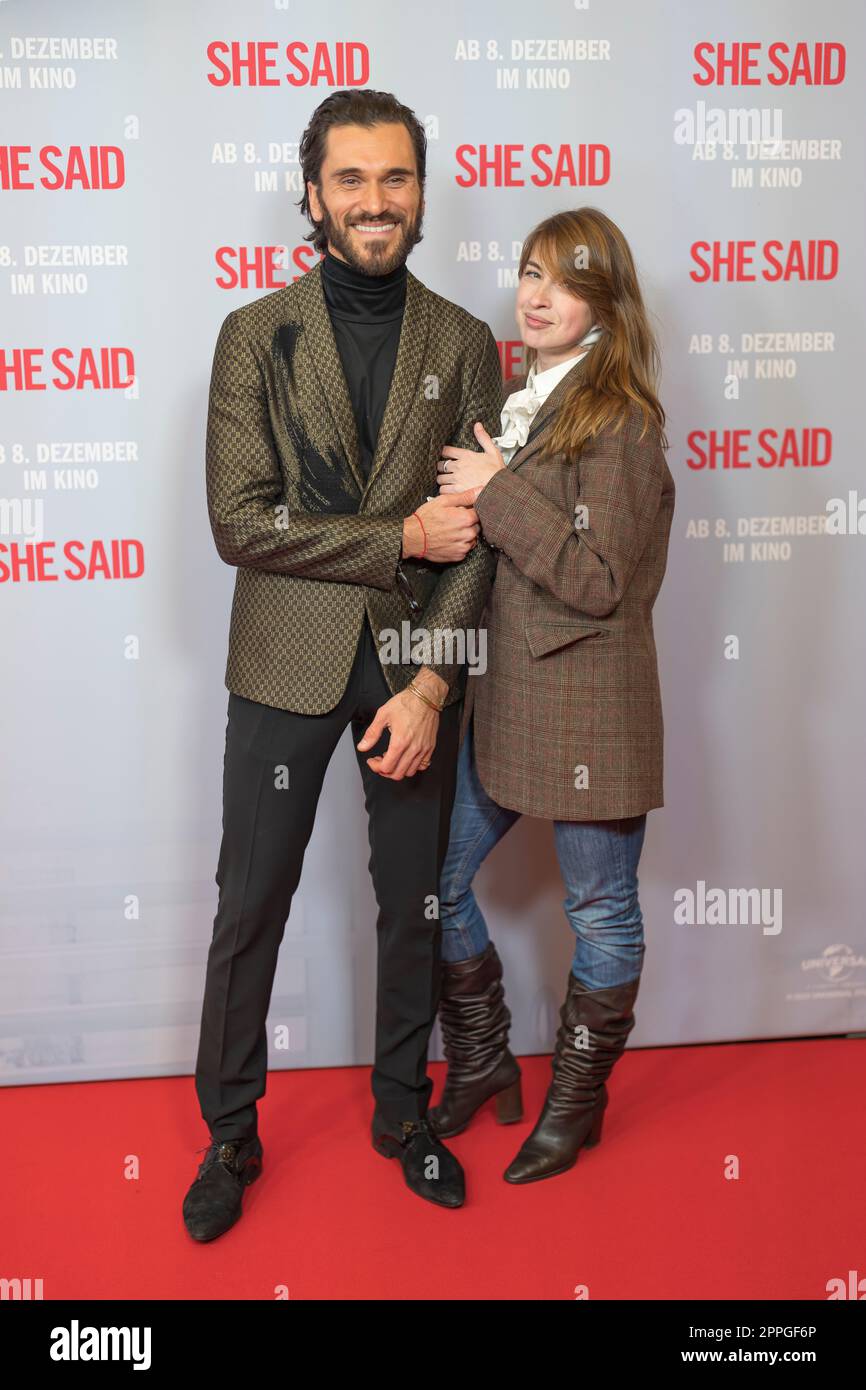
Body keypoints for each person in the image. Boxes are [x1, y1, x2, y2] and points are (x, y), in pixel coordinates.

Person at [183, 88, 502, 1240]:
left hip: (412, 667)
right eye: (353, 179)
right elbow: (239, 521)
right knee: (248, 904)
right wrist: (397, 539)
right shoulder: (253, 336)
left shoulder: (464, 342)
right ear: (310, 192)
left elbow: (484, 536)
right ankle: (229, 1130)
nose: (376, 200)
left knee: (410, 906)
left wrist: (430, 683)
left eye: (397, 179)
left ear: (421, 194)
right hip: (283, 660)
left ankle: (400, 1113)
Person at [429, 207, 675, 1183]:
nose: (535, 296)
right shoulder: (522, 397)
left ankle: (576, 1104)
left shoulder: (619, 420)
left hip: (587, 710)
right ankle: (486, 1058)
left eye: (563, 282)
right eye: (529, 273)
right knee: (433, 884)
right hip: (506, 705)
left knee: (601, 912)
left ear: (603, 305)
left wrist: (494, 490)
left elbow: (596, 576)